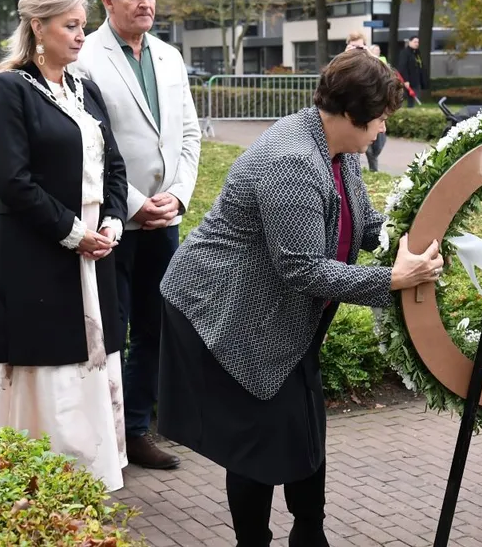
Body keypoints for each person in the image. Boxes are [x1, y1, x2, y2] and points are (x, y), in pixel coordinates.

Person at [157, 50, 443, 546]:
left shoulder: (337, 150)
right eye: (378, 121)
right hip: (223, 312)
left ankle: (309, 534)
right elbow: (302, 268)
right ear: (352, 115)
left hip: (271, 311)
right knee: (259, 443)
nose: (381, 133)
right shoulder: (292, 160)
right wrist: (392, 281)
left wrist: (412, 239)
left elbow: (364, 224)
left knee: (305, 429)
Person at [0, 0, 130, 491]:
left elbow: (115, 165)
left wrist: (110, 222)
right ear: (37, 27)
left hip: (93, 247)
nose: (82, 35)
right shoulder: (8, 89)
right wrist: (73, 232)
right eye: (71, 25)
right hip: (35, 250)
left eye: (82, 25)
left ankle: (91, 470)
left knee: (92, 351)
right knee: (48, 358)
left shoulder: (86, 87)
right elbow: (14, 182)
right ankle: (43, 476)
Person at [72, 0, 202, 470]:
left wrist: (178, 196)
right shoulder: (85, 60)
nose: (145, 2)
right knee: (109, 326)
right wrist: (130, 204)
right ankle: (103, 434)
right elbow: (90, 147)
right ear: (107, 0)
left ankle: (137, 429)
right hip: (111, 222)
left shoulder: (170, 57)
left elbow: (190, 134)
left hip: (164, 220)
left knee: (155, 326)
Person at [398, 35, 427, 107]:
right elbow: (402, 67)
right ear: (410, 42)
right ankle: (410, 110)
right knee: (410, 98)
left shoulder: (417, 53)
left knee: (416, 96)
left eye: (418, 42)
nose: (417, 44)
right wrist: (406, 80)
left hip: (417, 80)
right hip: (409, 80)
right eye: (415, 42)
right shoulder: (405, 53)